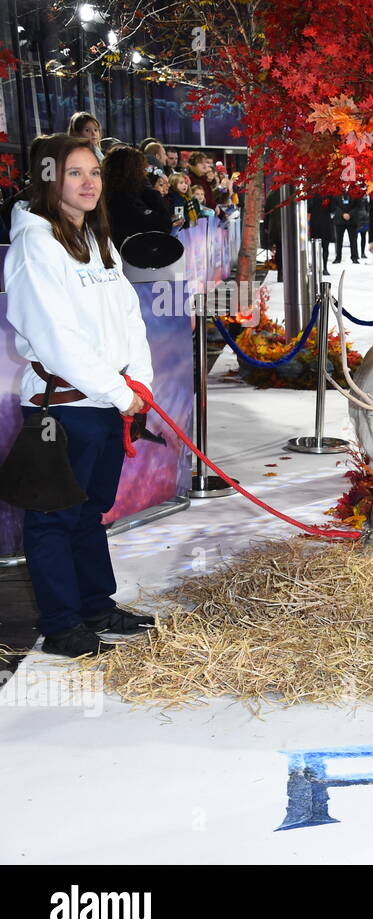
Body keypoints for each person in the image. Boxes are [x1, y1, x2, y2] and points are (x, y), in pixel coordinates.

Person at [3, 135, 156, 657]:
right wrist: (118, 391)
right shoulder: (36, 244)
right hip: (64, 407)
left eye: (93, 171)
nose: (89, 182)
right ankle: (62, 625)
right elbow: (54, 338)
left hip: (108, 402)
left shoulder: (94, 238)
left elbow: (129, 317)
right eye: (74, 173)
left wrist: (140, 382)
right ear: (50, 178)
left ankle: (96, 606)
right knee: (53, 519)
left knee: (90, 511)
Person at [102, 145, 171, 250]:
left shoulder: (108, 192)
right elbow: (163, 225)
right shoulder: (125, 198)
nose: (144, 173)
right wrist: (148, 188)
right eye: (142, 169)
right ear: (133, 170)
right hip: (128, 256)